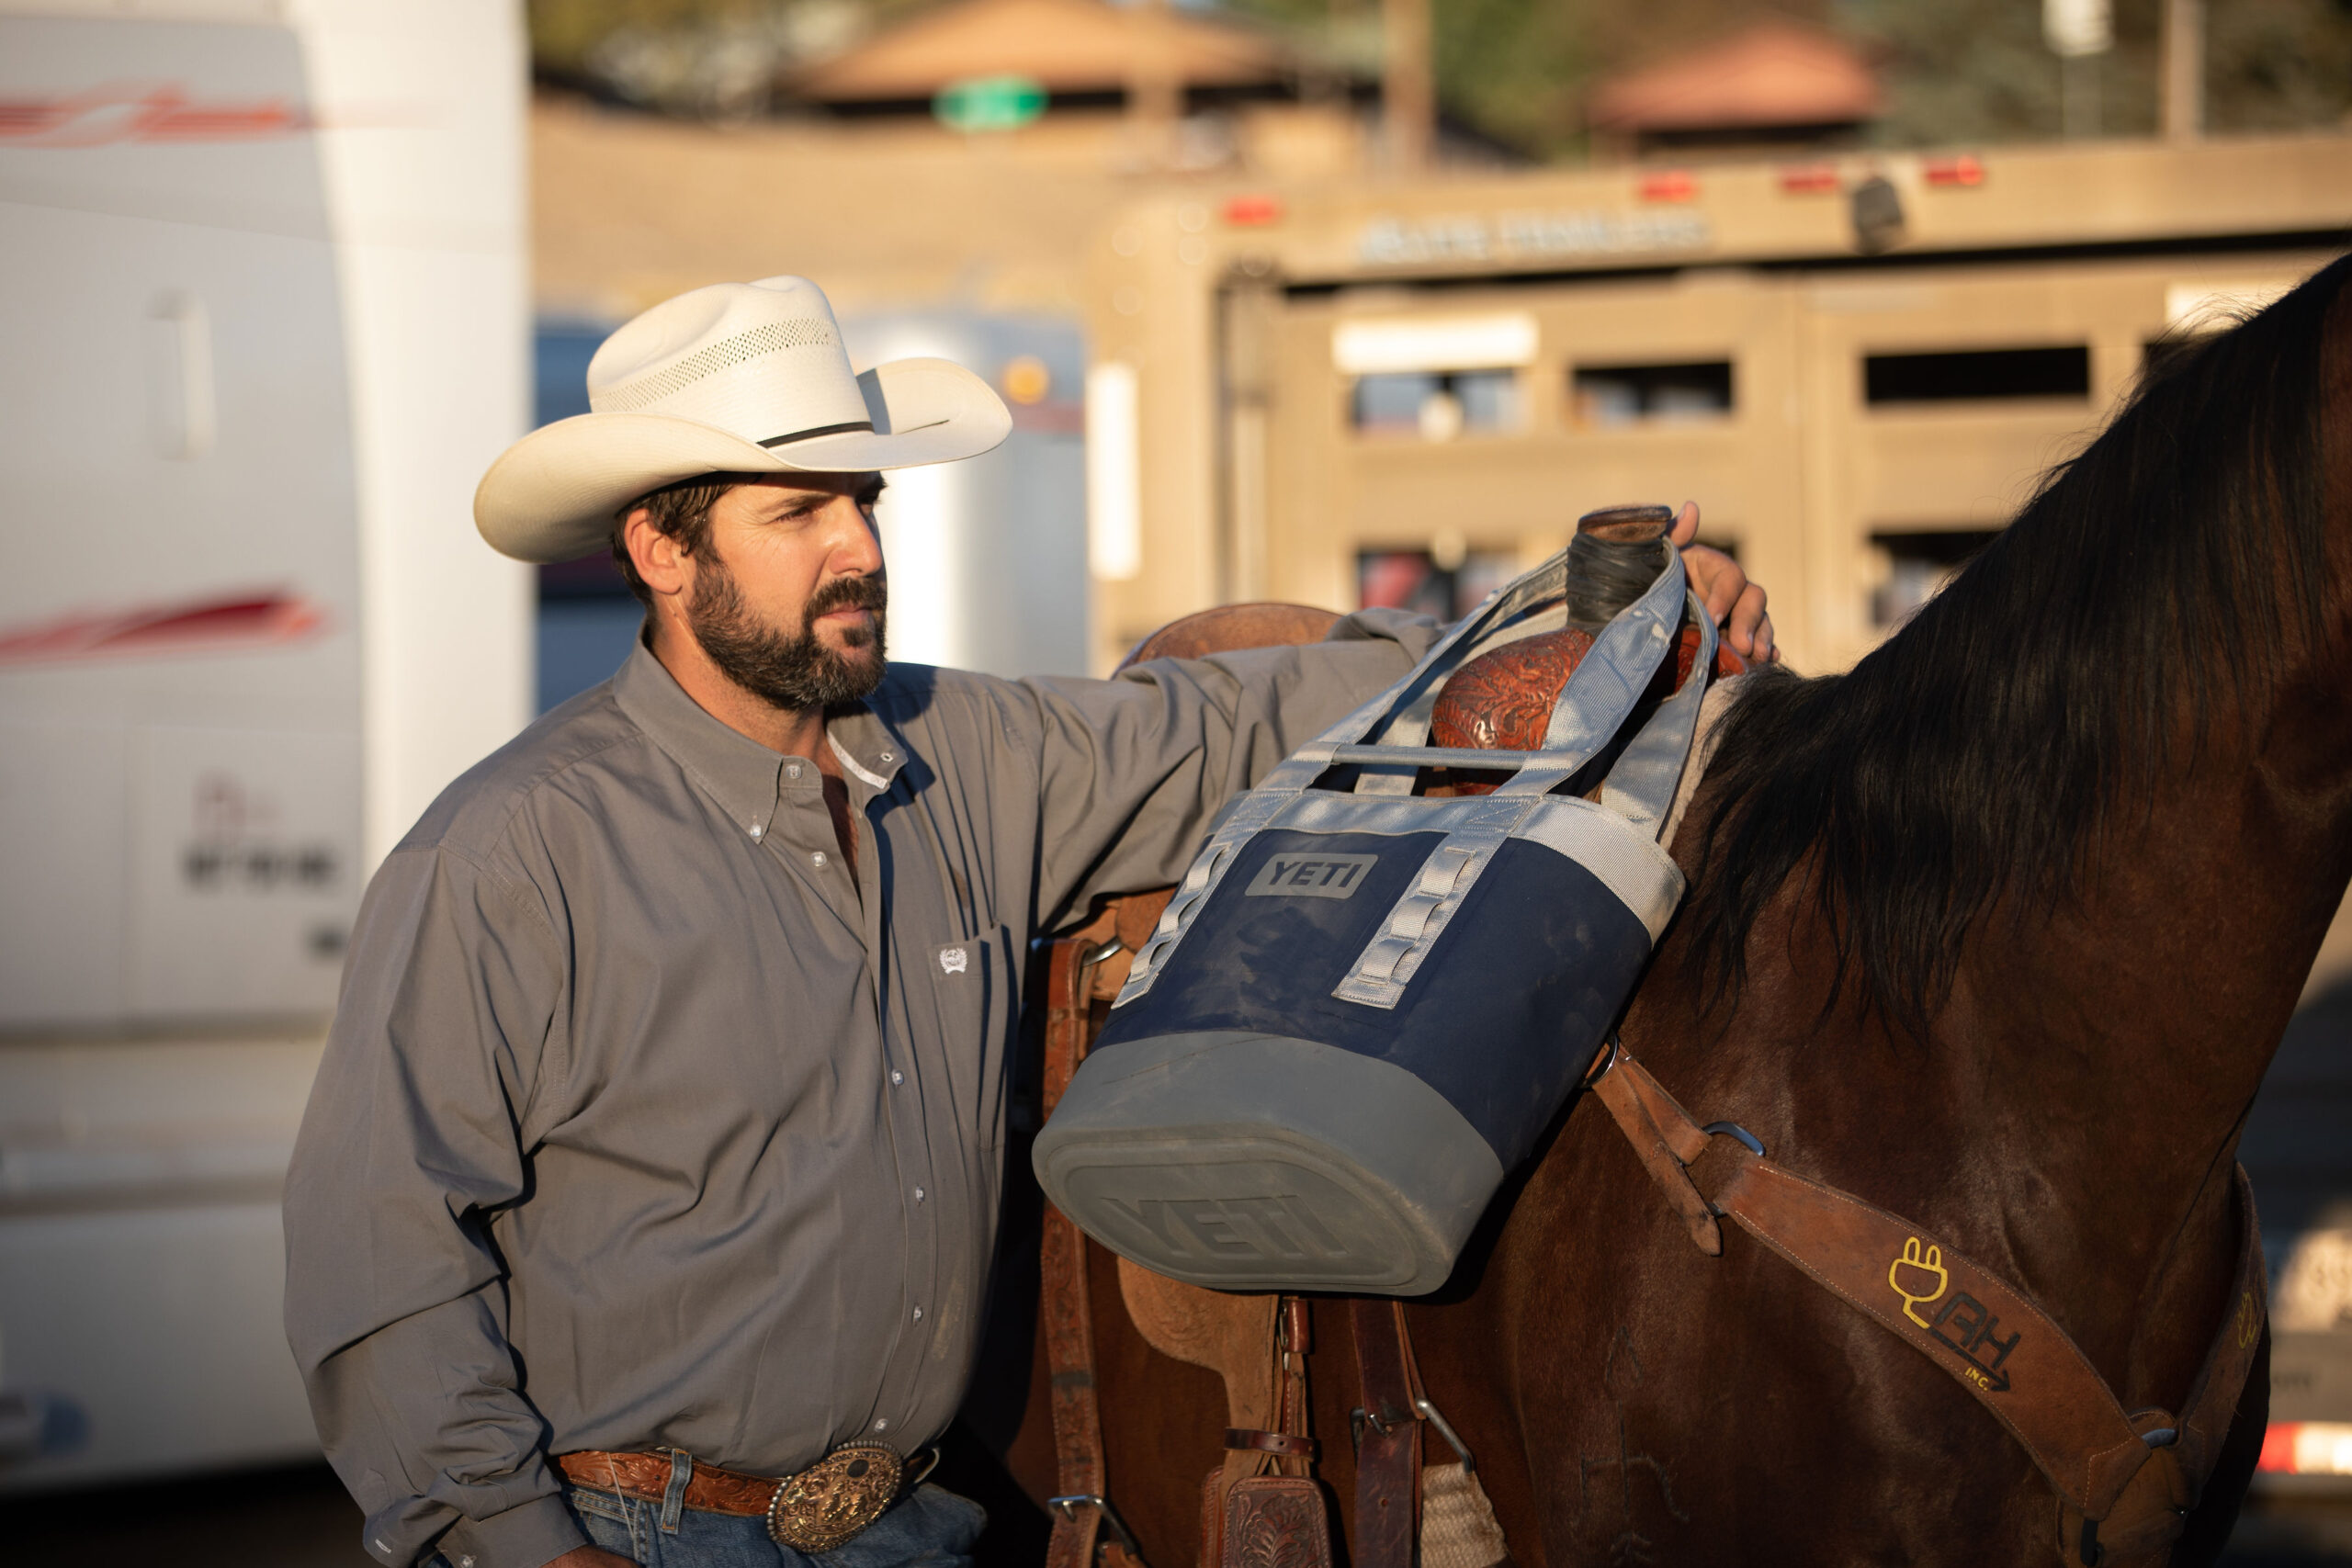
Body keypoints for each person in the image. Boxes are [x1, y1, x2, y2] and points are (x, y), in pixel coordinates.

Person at [283, 275, 1770, 1568]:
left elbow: (1223, 721)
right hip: (639, 1536)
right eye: (796, 511)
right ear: (663, 554)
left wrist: (1586, 627)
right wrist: (517, 1548)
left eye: (864, 500)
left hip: (920, 1527)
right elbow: (381, 1240)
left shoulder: (972, 760)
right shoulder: (514, 849)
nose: (857, 549)